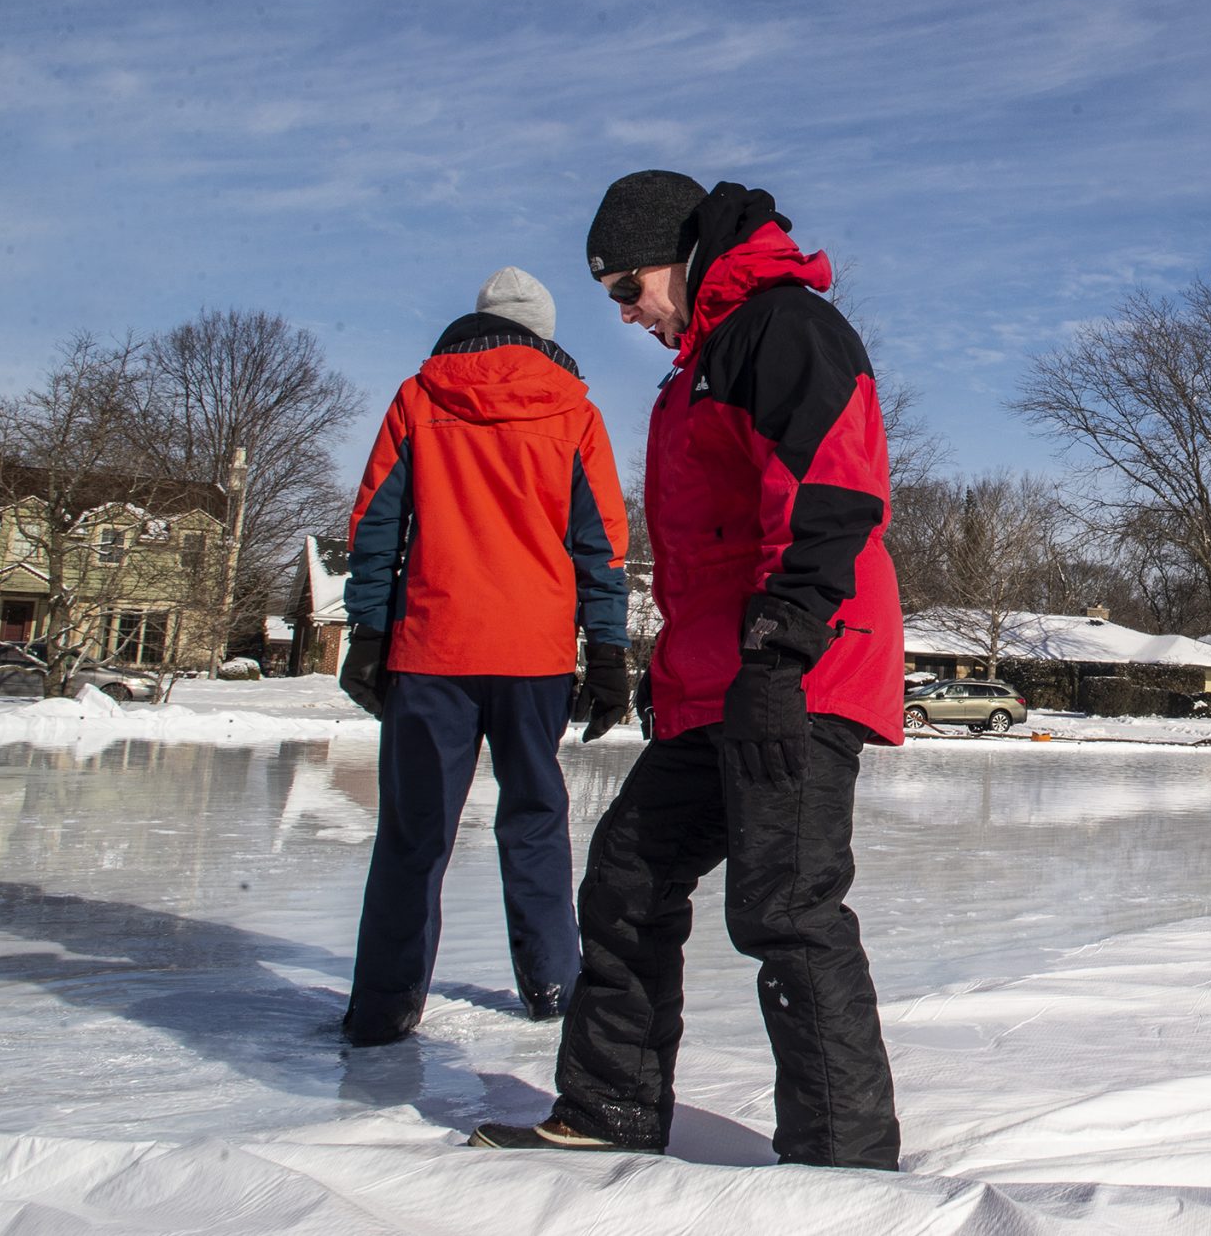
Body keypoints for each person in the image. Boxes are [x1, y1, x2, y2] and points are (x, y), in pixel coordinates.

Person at [471, 174, 905, 1169]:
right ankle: (607, 1111)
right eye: (613, 298)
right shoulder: (704, 360)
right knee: (628, 878)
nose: (629, 314)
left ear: (680, 251)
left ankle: (845, 1166)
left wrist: (783, 640)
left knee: (787, 905)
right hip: (722, 681)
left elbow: (837, 485)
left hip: (797, 669)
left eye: (630, 286)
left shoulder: (781, 327)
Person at [339, 267, 633, 1046]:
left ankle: (383, 1008)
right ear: (542, 331)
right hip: (533, 655)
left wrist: (367, 629)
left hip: (432, 648)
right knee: (535, 818)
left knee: (413, 831)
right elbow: (600, 546)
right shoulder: (576, 412)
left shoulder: (419, 396)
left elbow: (375, 522)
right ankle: (554, 987)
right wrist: (607, 648)